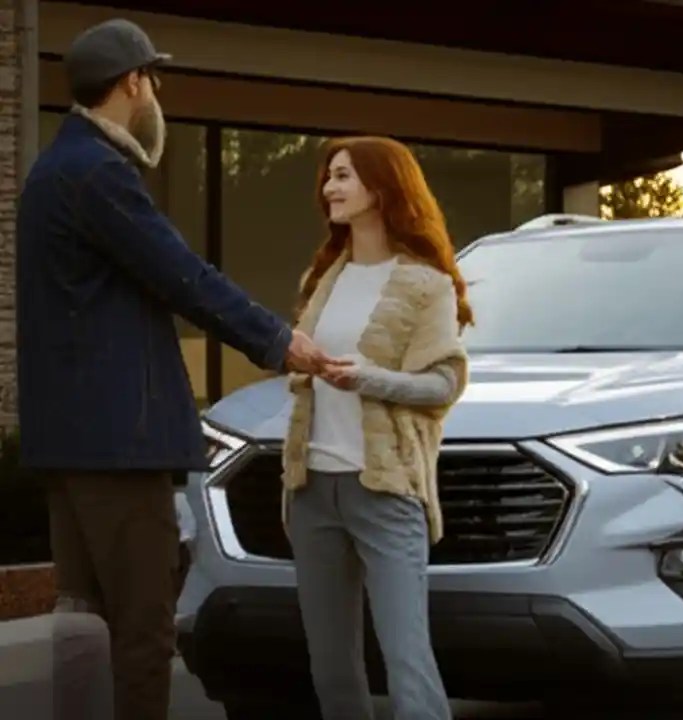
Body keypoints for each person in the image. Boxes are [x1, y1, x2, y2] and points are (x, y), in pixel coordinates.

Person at [14, 19, 337, 720]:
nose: (156, 90)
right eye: (152, 77)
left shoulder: (50, 169)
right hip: (118, 445)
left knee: (81, 622)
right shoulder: (99, 172)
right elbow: (183, 277)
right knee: (140, 631)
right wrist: (281, 341)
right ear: (134, 83)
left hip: (70, 445)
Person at [281, 136, 471, 720]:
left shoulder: (427, 285)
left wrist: (369, 379)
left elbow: (443, 386)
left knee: (408, 663)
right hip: (312, 488)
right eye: (328, 178)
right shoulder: (322, 280)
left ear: (382, 188)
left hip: (385, 489)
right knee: (330, 668)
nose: (330, 188)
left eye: (343, 176)